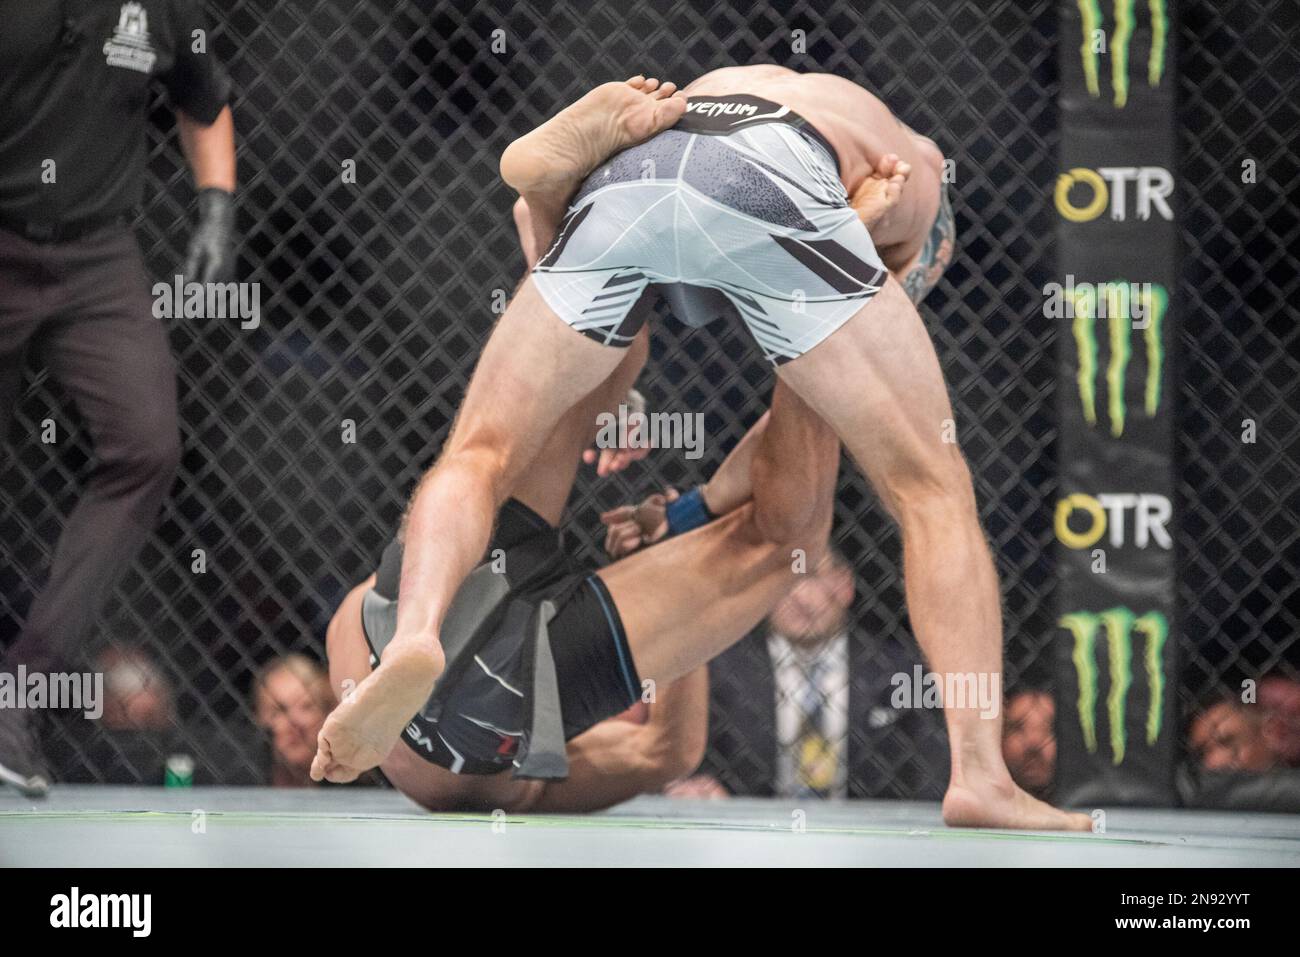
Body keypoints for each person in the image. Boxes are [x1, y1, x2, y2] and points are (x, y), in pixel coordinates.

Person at [317, 70, 1089, 829]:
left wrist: (681, 507)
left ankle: (420, 627)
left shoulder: (764, 86)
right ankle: (983, 775)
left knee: (483, 448)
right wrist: (864, 251)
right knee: (928, 486)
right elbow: (666, 749)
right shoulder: (917, 192)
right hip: (774, 175)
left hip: (638, 165)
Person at [319, 318, 842, 811]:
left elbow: (660, 753)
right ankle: (826, 318)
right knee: (612, 333)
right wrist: (678, 542)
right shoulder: (559, 771)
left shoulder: (549, 759)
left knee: (497, 438)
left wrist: (679, 523)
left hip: (414, 602)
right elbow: (666, 751)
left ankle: (825, 316)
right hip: (482, 698)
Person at [0, 0, 237, 796]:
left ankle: (18, 691)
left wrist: (216, 205)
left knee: (145, 446)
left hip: (98, 251)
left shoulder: (164, 7)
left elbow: (203, 99)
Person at [664, 550, 949, 800]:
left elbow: (931, 771)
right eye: (784, 581)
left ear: (843, 585)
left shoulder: (900, 670)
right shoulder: (721, 671)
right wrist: (697, 788)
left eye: (812, 576)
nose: (798, 596)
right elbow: (684, 758)